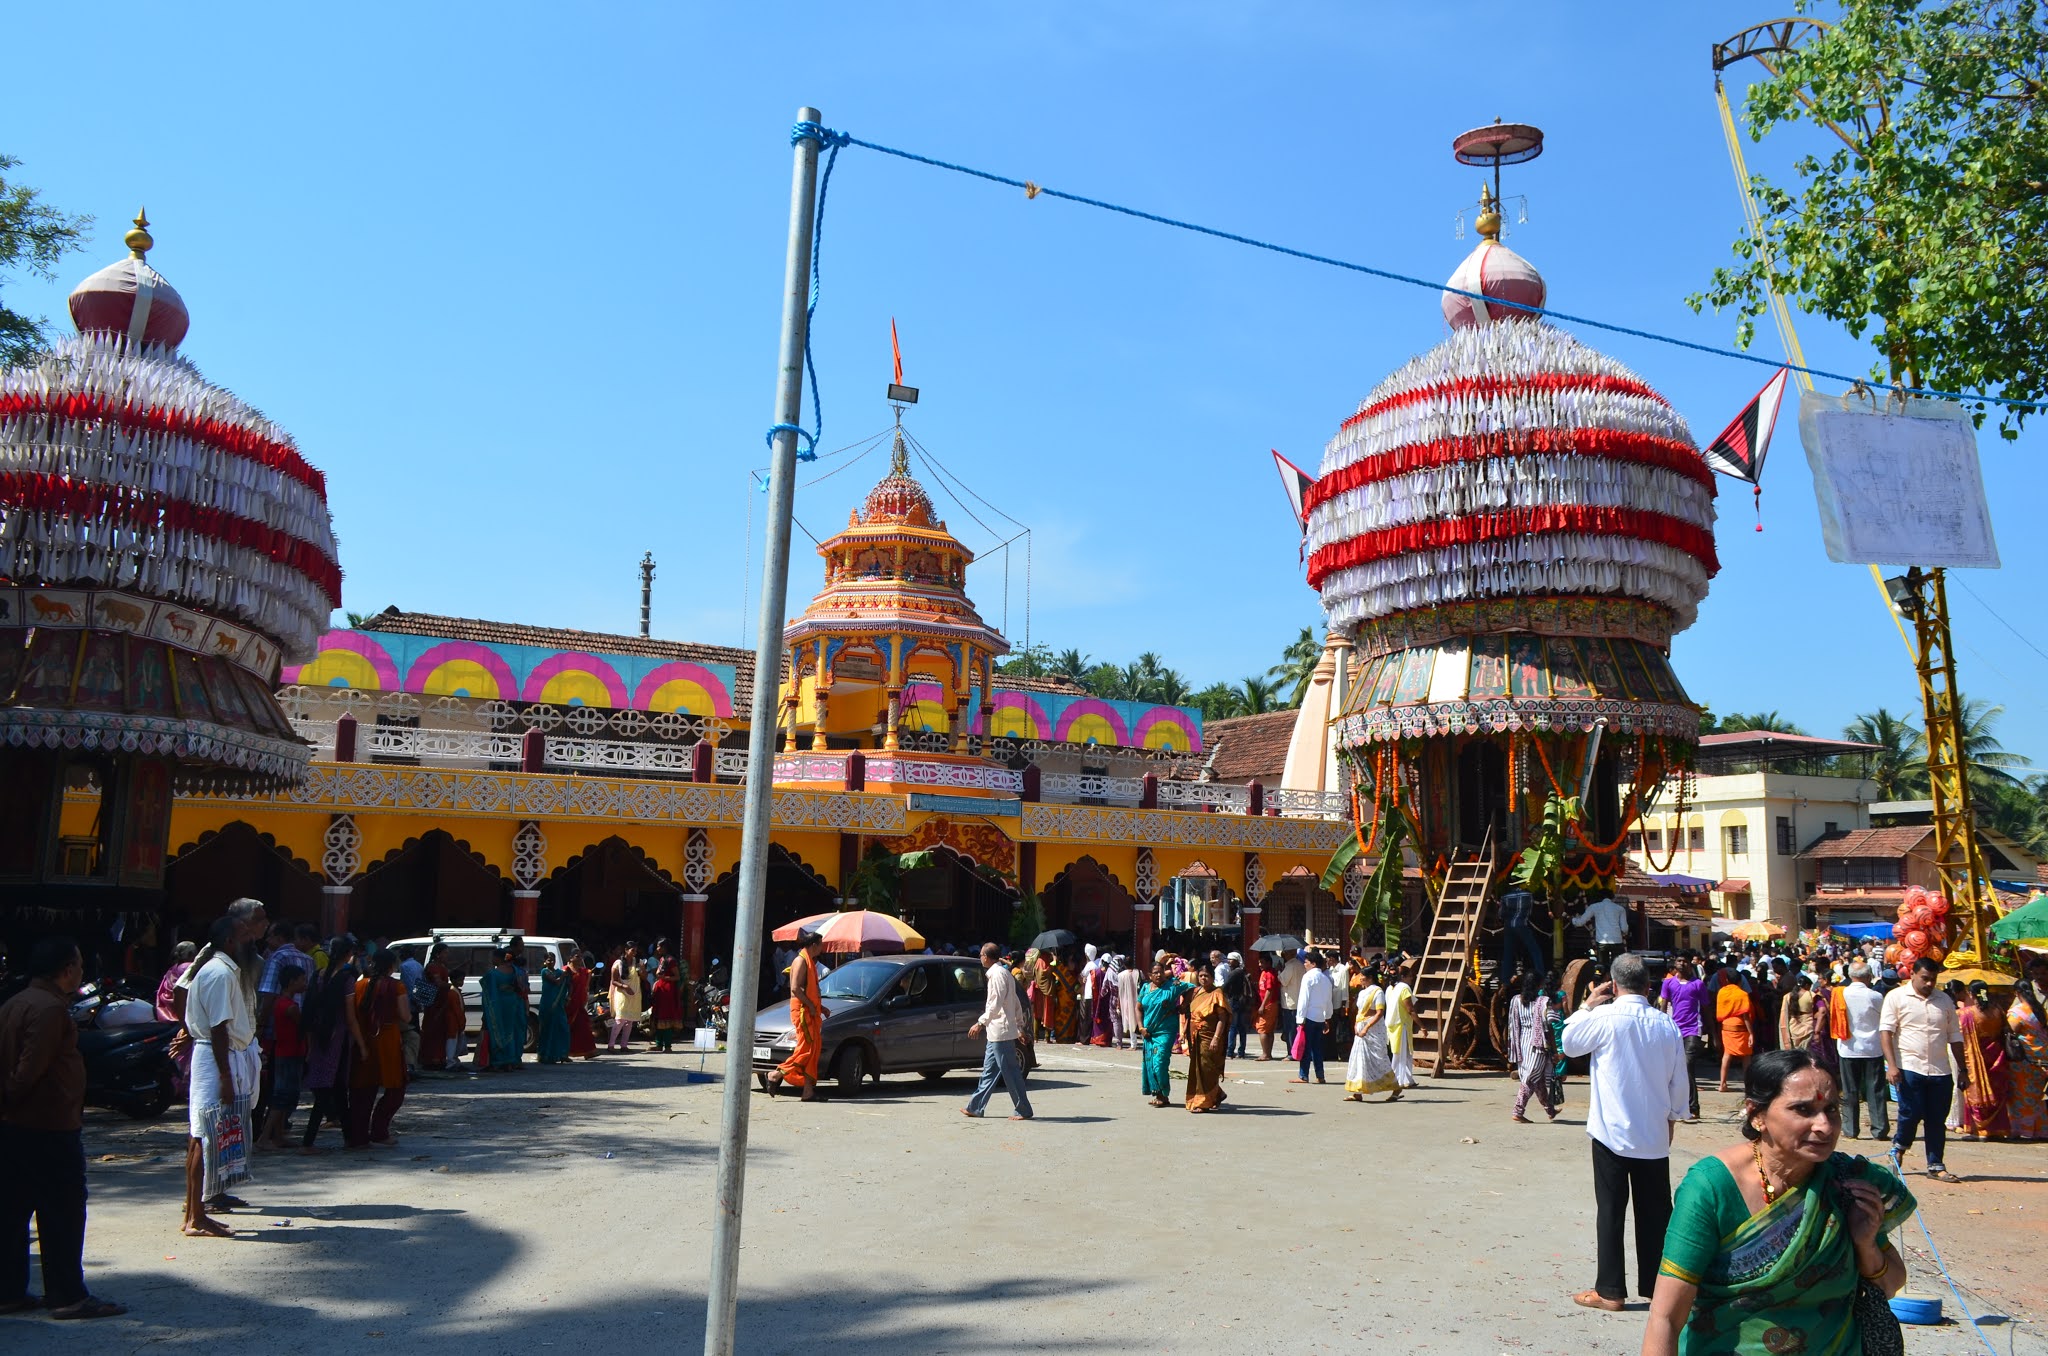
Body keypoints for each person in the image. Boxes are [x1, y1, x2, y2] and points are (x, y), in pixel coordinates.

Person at [1640, 1048, 1913, 1356]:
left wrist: (1865, 1245)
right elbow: (1666, 1316)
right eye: (1803, 1110)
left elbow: (1891, 1283)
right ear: (1757, 1115)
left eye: (1832, 1110)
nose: (1824, 1126)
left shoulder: (1846, 1182)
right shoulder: (1711, 1186)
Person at [0, 937, 126, 1319]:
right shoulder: (50, 1009)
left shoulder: (13, 1003)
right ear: (66, 970)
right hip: (47, 1125)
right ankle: (67, 1294)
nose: (82, 972)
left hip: (15, 1127)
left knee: (11, 1212)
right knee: (62, 1213)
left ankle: (8, 1291)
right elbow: (28, 1071)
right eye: (79, 965)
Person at [1560, 953, 1689, 1313]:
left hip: (1610, 1131)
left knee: (1611, 1210)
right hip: (1653, 1132)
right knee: (1656, 1213)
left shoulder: (1604, 1016)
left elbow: (1569, 1044)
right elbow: (1680, 1080)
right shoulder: (1665, 1024)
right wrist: (1674, 1119)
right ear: (1649, 986)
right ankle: (1657, 1288)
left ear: (1613, 986)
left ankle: (1611, 1290)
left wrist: (1586, 1006)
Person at [182, 914, 262, 1237]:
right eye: (245, 935)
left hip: (220, 1056)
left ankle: (193, 1213)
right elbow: (218, 1030)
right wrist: (226, 1077)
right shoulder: (219, 973)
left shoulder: (225, 971)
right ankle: (196, 1216)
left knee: (200, 1136)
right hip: (216, 1060)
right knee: (204, 1138)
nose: (250, 940)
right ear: (230, 941)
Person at [1881, 955, 1970, 1182]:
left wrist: (1963, 1069)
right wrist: (1891, 1066)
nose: (1929, 984)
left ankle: (1935, 1165)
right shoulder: (1896, 997)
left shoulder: (1944, 1001)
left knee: (1936, 1119)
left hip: (1940, 1070)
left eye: (1933, 979)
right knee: (1910, 1113)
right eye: (1925, 979)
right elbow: (1886, 1033)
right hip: (1909, 1067)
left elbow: (1955, 1036)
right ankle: (1899, 1148)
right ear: (1912, 974)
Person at [299, 938, 364, 1153]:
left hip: (319, 1038)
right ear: (348, 955)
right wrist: (362, 1045)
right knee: (331, 1091)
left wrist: (309, 1045)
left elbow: (308, 1011)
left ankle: (349, 1138)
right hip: (338, 1039)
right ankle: (309, 1142)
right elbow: (350, 1017)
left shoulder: (318, 976)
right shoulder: (346, 978)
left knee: (334, 1090)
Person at [963, 942, 1033, 1120]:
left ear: (986, 957)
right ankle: (976, 1106)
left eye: (981, 955)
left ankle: (1023, 1109)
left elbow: (995, 1004)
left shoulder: (997, 975)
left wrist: (980, 1023)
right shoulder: (1004, 974)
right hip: (997, 1033)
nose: (980, 958)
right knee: (989, 1071)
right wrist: (1020, 1027)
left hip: (1001, 1032)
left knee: (1010, 1072)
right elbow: (1015, 1003)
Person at [348, 948, 410, 1147]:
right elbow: (406, 1015)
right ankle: (379, 1130)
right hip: (388, 1040)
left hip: (363, 1041)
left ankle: (358, 1136)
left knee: (362, 1091)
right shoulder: (396, 986)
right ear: (392, 966)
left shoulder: (359, 985)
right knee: (395, 1089)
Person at [1834, 962, 1889, 1142]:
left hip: (1848, 1048)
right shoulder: (1874, 996)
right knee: (1876, 1091)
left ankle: (1850, 1129)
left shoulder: (1840, 993)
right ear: (1868, 976)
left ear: (1850, 976)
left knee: (1850, 1091)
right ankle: (1879, 1129)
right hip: (1872, 1048)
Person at [256, 964, 309, 1149]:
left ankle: (277, 1135)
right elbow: (304, 1028)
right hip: (290, 1054)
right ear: (292, 982)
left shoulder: (280, 1002)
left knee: (282, 1095)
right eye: (302, 980)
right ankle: (265, 1137)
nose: (305, 983)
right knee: (283, 1096)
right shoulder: (290, 1007)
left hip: (284, 1052)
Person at [768, 931, 825, 1100]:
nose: (822, 948)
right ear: (813, 945)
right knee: (806, 1050)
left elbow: (810, 990)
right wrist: (811, 1007)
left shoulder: (809, 962)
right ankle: (776, 1075)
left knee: (813, 1050)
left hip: (810, 1010)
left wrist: (821, 1008)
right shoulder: (800, 961)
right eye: (821, 944)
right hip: (803, 1011)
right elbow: (795, 988)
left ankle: (808, 1091)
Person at [1958, 980, 2011, 1141]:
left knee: (1977, 1091)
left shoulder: (1966, 1014)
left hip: (1975, 1057)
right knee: (1996, 1091)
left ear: (1971, 994)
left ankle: (1979, 1130)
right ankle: (1997, 1129)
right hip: (1996, 1056)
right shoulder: (1997, 1011)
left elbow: (1957, 1034)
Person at [1139, 960, 1192, 1108]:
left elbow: (1191, 988)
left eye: (1160, 972)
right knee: (1150, 1062)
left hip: (1166, 1030)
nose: (1158, 975)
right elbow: (1138, 1007)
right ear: (1150, 975)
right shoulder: (1145, 988)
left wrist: (1184, 1004)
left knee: (1160, 1062)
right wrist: (1140, 1027)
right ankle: (1158, 1094)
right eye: (1155, 972)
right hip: (1149, 1032)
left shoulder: (1172, 986)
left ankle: (1164, 1094)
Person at [2005, 959, 2048, 1141]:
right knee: (2037, 1097)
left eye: (2043, 973)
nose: (2039, 977)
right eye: (2035, 974)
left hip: (2024, 1061)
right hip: (2041, 1058)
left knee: (2022, 1097)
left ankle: (2024, 1131)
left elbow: (2010, 1029)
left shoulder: (2019, 1011)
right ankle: (2040, 1130)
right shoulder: (2038, 1007)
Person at [1658, 959, 1707, 1119]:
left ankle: (1693, 1107)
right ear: (1675, 964)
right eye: (1679, 960)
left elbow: (1706, 1008)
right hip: (1673, 1029)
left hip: (1693, 1028)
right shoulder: (1668, 983)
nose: (1682, 963)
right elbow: (1663, 1006)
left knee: (1687, 1066)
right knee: (1671, 1069)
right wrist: (1661, 1026)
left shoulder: (1698, 984)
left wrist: (1713, 1035)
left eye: (1685, 961)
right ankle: (1671, 1106)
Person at [1344, 962, 1399, 1102]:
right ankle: (1358, 1091)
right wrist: (1357, 1025)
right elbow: (1359, 1012)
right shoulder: (1362, 992)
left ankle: (1395, 1087)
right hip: (1360, 1028)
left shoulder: (1377, 992)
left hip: (1373, 1029)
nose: (1360, 978)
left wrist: (1366, 1027)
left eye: (1363, 975)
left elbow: (1379, 1013)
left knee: (1378, 1058)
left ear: (1370, 978)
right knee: (1360, 1059)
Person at [1507, 972, 1556, 1122]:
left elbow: (1513, 1024)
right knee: (1530, 1078)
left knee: (1537, 1078)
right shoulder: (1543, 1001)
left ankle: (1550, 1110)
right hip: (1538, 1045)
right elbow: (1550, 1024)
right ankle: (1518, 1111)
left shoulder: (1516, 1000)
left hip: (1522, 1043)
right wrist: (1554, 1048)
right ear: (1539, 985)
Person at [1184, 962, 1230, 1113]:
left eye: (1206, 976)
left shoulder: (1217, 994)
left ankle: (1205, 1102)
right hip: (1194, 1036)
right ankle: (1217, 1094)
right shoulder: (1196, 992)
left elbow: (1222, 1019)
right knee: (1197, 1068)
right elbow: (1191, 1015)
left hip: (1209, 1035)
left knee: (1207, 1068)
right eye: (1201, 976)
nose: (1203, 978)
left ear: (1212, 977)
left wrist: (1217, 1037)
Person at [1292, 950, 1335, 1085]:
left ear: (1313, 963)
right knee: (1317, 1048)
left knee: (1305, 1047)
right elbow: (1329, 1000)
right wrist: (1327, 1017)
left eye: (1306, 962)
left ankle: (1303, 1075)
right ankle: (1320, 1075)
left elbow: (1303, 999)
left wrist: (1300, 1019)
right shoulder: (1326, 978)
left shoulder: (1308, 977)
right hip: (1320, 1017)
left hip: (1309, 1017)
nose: (1304, 964)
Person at [418, 943, 463, 1071]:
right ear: (438, 954)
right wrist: (452, 987)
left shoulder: (440, 966)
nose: (447, 956)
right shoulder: (433, 967)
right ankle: (432, 1059)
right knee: (433, 1032)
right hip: (434, 1005)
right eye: (445, 953)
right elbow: (438, 983)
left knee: (442, 1032)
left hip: (442, 1004)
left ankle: (440, 1058)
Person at [481, 949, 526, 1071]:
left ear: (497, 958)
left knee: (498, 1030)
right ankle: (512, 1060)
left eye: (493, 957)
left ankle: (499, 1060)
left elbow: (487, 989)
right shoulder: (515, 971)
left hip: (499, 1004)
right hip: (513, 1003)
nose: (491, 959)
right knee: (511, 1031)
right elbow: (522, 987)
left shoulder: (493, 974)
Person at [1714, 967, 1752, 1093]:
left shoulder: (1722, 992)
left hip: (1726, 1026)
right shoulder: (1743, 994)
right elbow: (1746, 1015)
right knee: (1746, 1056)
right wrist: (1751, 1033)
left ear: (1726, 980)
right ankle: (1748, 1085)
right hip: (1740, 1026)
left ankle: (1722, 1084)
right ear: (1740, 981)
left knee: (1727, 1054)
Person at [1571, 894, 1630, 977]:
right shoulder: (1620, 909)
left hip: (1602, 942)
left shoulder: (1594, 907)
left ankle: (1600, 982)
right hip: (1617, 941)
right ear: (1612, 898)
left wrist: (1572, 919)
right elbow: (1624, 928)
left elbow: (1580, 922)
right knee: (1617, 968)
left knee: (1600, 967)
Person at [1499, 886, 1547, 982]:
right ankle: (1541, 975)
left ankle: (1505, 980)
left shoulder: (1505, 897)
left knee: (1508, 953)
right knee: (1535, 950)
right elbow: (1530, 912)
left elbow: (1501, 914)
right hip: (1522, 924)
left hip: (1509, 926)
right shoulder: (1528, 895)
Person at [1385, 955, 1417, 1089]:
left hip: (1393, 1024)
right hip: (1401, 1024)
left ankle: (1407, 1079)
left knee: (1404, 1054)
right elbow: (1410, 1008)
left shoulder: (1390, 988)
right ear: (1403, 977)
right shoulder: (1404, 988)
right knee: (1399, 1055)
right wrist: (1422, 1026)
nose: (1412, 978)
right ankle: (1395, 1080)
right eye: (1410, 976)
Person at [536, 953, 572, 1063]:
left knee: (562, 1028)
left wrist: (568, 996)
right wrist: (563, 975)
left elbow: (569, 983)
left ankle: (562, 1054)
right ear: (545, 961)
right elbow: (556, 982)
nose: (551, 962)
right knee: (547, 1029)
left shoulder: (559, 972)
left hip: (559, 1005)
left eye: (553, 960)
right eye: (548, 960)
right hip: (548, 1005)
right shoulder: (545, 972)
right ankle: (546, 1055)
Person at [607, 944, 643, 1051]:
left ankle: (624, 1045)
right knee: (620, 1019)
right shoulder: (618, 963)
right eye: (632, 950)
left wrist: (642, 969)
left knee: (629, 1021)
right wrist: (624, 986)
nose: (634, 953)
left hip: (635, 993)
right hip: (622, 993)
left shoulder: (637, 962)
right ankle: (611, 1045)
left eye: (636, 951)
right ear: (626, 950)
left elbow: (644, 977)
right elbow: (614, 981)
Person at [647, 959, 685, 1054]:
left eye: (660, 946)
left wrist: (664, 978)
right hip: (660, 991)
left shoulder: (671, 960)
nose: (658, 948)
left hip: (668, 992)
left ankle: (668, 1046)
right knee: (658, 1019)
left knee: (666, 1018)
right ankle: (659, 1044)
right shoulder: (661, 959)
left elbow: (677, 977)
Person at [566, 951, 599, 1060]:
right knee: (567, 1029)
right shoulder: (566, 970)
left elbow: (587, 980)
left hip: (579, 1004)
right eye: (577, 957)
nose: (580, 959)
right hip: (569, 1005)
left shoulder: (582, 971)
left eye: (581, 957)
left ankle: (588, 1051)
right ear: (570, 958)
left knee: (584, 1028)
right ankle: (565, 1052)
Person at [1253, 955, 1281, 1060]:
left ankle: (1265, 1053)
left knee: (1263, 1029)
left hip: (1269, 1004)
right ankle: (1268, 1053)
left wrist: (1262, 1005)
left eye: (1262, 962)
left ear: (1269, 963)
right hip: (1267, 1004)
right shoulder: (1264, 973)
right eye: (1259, 962)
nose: (1260, 965)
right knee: (1268, 1030)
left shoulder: (1269, 974)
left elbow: (1270, 990)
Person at [1277, 948, 1304, 1051]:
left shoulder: (1290, 965)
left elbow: (1284, 981)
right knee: (1294, 1028)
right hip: (1298, 1000)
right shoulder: (1300, 964)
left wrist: (1279, 971)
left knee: (1290, 1029)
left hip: (1290, 1003)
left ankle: (1291, 1051)